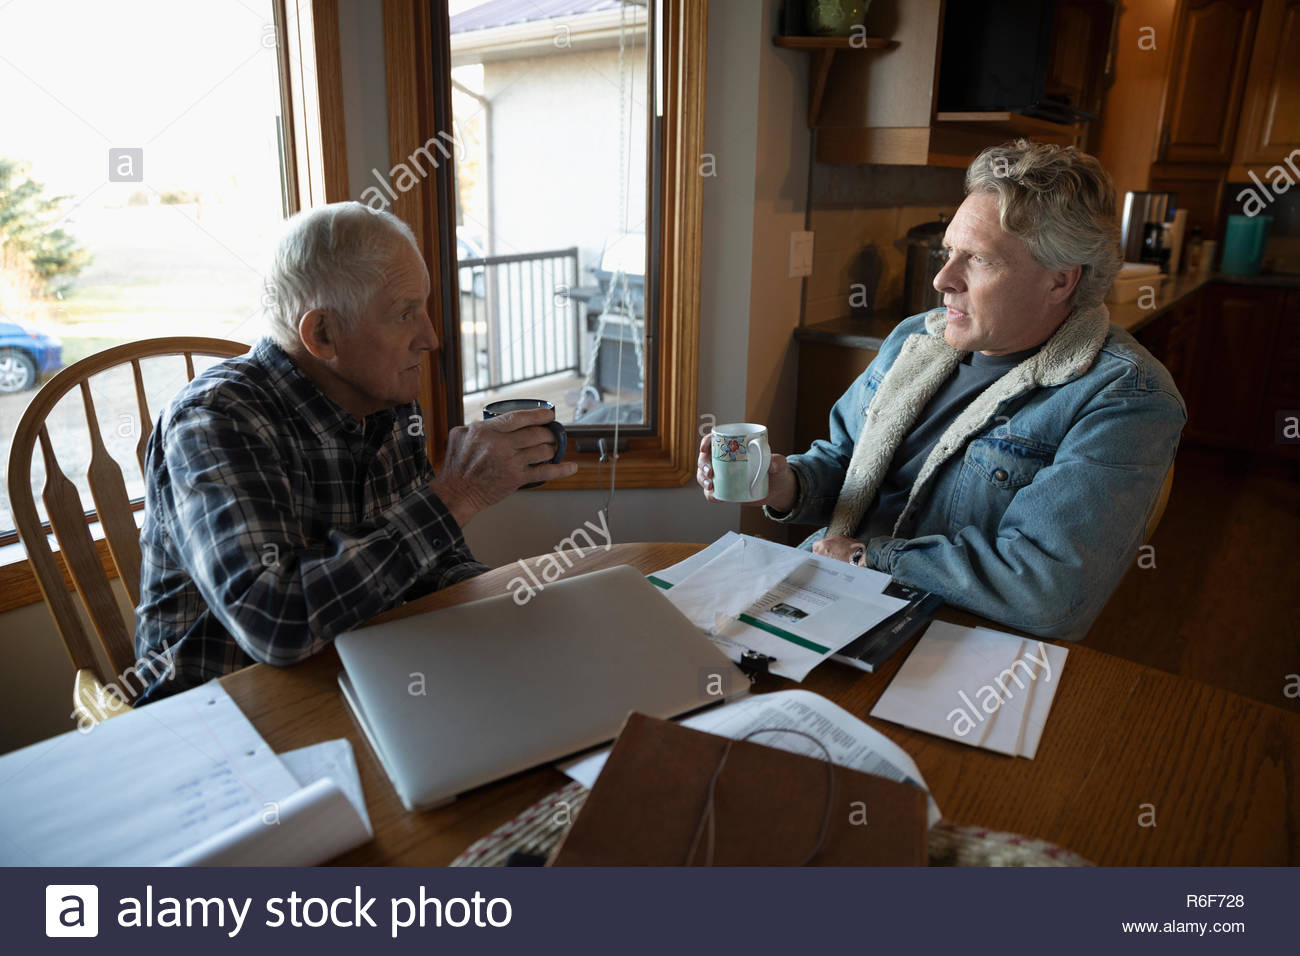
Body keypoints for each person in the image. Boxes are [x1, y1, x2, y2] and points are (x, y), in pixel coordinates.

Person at [697, 140, 1186, 639]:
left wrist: (873, 556)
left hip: (952, 642)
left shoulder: (1125, 397)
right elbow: (845, 461)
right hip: (832, 594)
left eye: (978, 259)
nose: (942, 278)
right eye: (950, 251)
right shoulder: (917, 338)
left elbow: (1047, 588)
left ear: (1060, 281)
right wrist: (787, 483)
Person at [134, 202, 577, 701]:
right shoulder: (216, 420)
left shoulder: (386, 399)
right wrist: (457, 494)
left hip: (362, 674)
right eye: (405, 313)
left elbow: (436, 560)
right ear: (322, 334)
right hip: (222, 713)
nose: (430, 338)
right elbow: (275, 624)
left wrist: (511, 612)